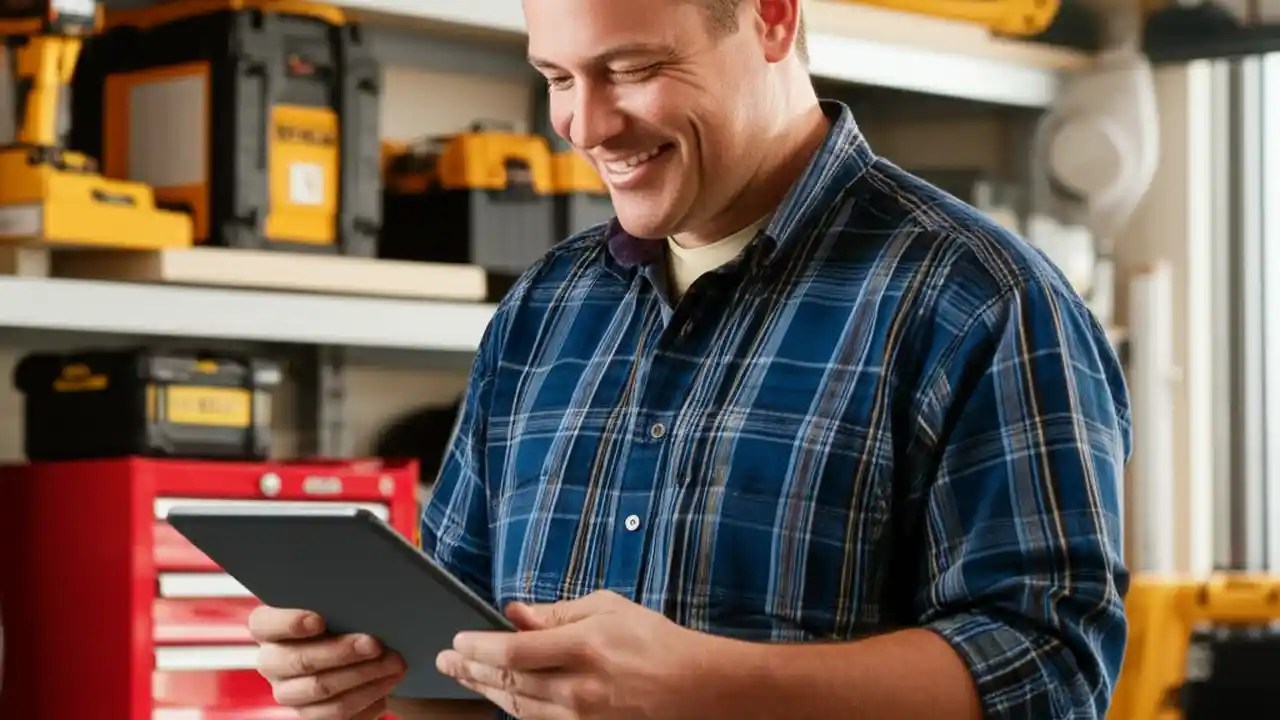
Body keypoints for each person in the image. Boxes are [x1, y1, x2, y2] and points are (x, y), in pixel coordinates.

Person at [248, 0, 1133, 718]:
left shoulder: (981, 301)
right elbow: (474, 667)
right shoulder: (546, 308)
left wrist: (710, 686)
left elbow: (1052, 668)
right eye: (557, 77)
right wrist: (366, 684)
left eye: (631, 70)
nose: (585, 124)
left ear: (773, 19)